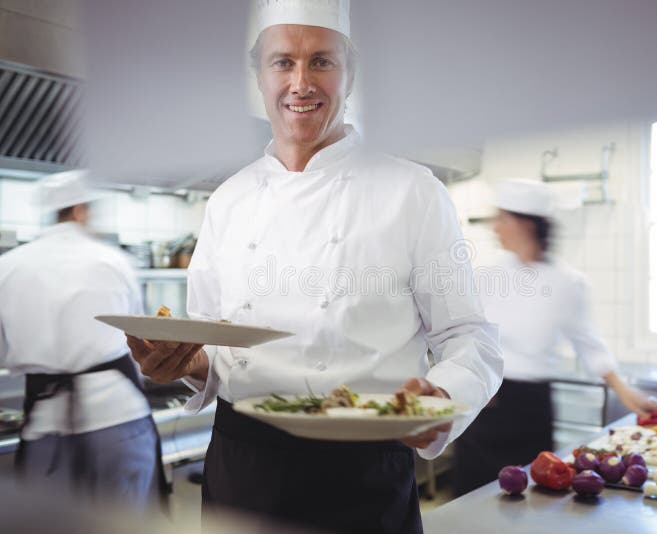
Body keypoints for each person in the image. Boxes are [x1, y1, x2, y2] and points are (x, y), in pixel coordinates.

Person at [125, 1, 502, 533]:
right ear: (259, 76)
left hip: (362, 475)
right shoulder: (228, 201)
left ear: (351, 73)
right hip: (242, 468)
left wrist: (442, 397)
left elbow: (471, 337)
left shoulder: (413, 192)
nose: (300, 83)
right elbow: (213, 348)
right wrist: (182, 364)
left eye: (321, 61)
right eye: (283, 63)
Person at [453, 179, 657, 496]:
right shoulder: (487, 275)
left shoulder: (568, 282)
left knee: (531, 501)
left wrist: (626, 393)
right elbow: (468, 334)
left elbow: (589, 343)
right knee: (471, 502)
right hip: (485, 404)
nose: (495, 227)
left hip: (530, 407)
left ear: (525, 223)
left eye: (502, 218)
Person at [0, 170, 166, 511]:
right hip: (118, 419)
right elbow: (141, 341)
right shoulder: (114, 260)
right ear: (80, 211)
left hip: (46, 425)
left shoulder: (8, 266)